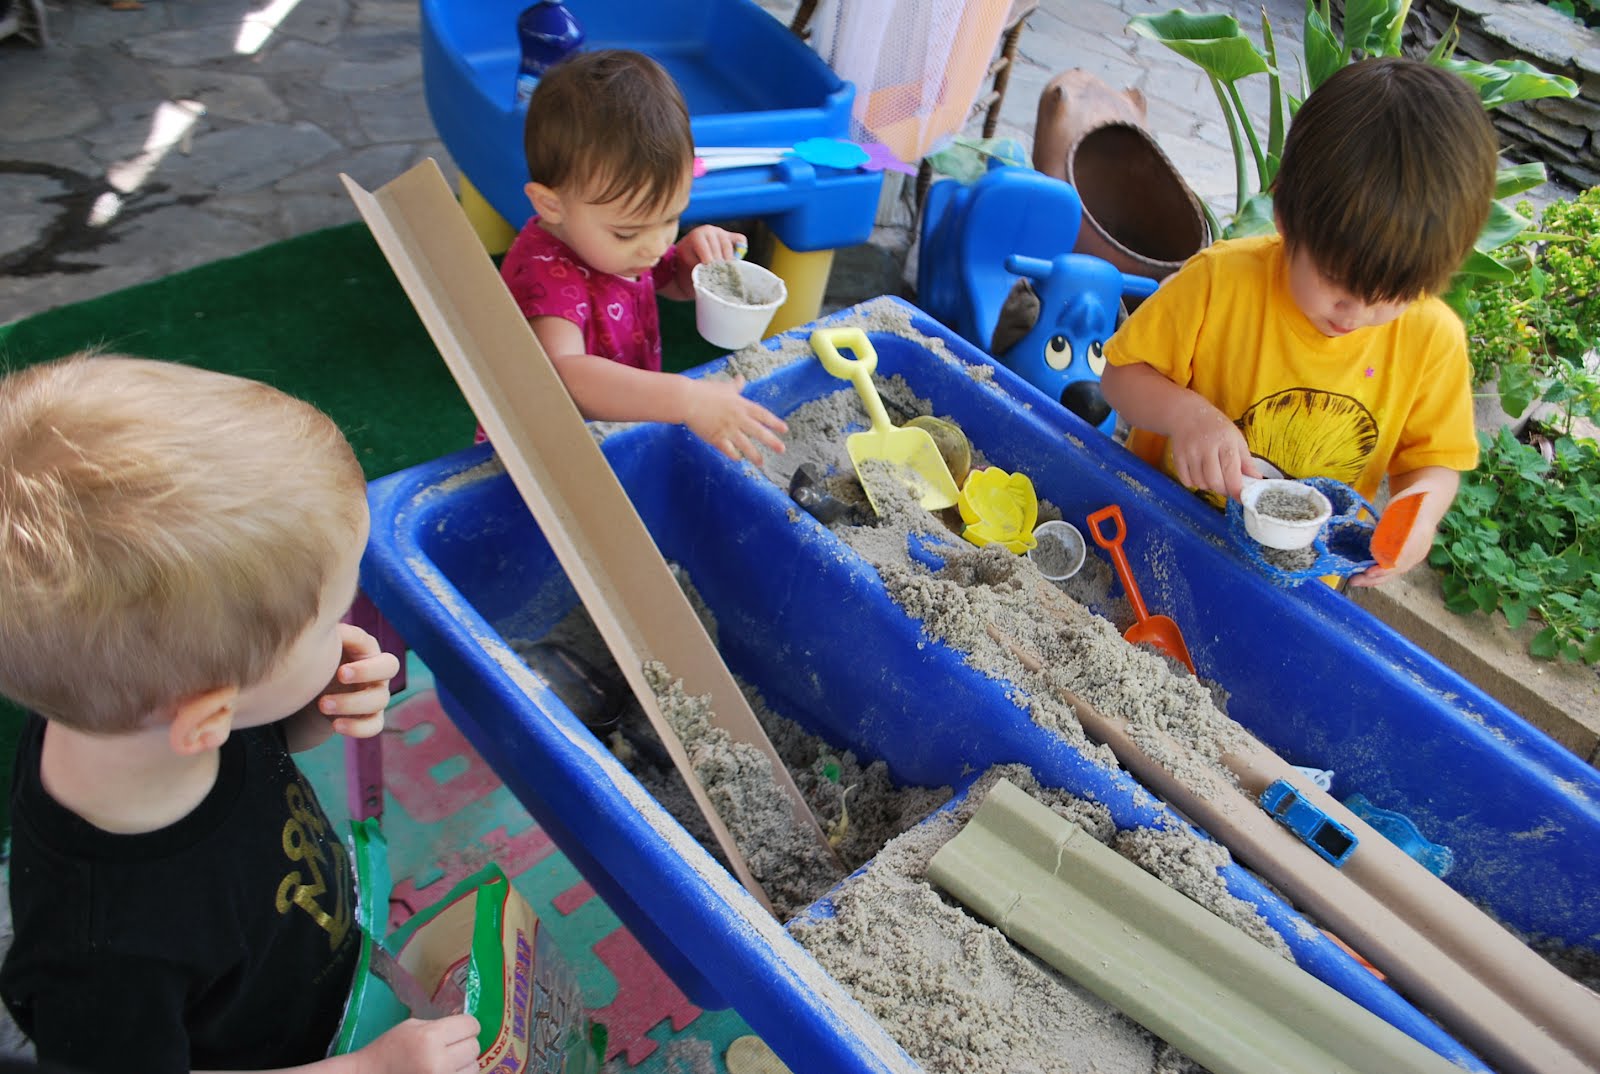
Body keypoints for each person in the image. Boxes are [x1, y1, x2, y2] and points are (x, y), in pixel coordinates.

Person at [0, 354, 481, 1074]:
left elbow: (263, 743)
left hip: (295, 951)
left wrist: (317, 707)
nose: (348, 631)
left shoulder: (130, 705)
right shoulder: (106, 951)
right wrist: (370, 1070)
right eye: (327, 627)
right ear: (209, 717)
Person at [1099, 57, 1498, 586]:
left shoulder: (1432, 339)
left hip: (1298, 578)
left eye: (1393, 295)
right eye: (1336, 280)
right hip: (1159, 531)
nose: (1355, 312)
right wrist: (1186, 414)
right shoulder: (1221, 283)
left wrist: (1419, 514)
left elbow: (1433, 464)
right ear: (1285, 215)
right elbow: (1119, 378)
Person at [502, 48, 788, 464]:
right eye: (628, 232)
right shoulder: (546, 275)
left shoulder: (613, 245)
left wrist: (687, 263)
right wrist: (686, 399)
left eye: (672, 219)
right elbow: (565, 376)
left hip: (619, 428)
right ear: (552, 206)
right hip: (552, 456)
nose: (655, 247)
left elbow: (660, 280)